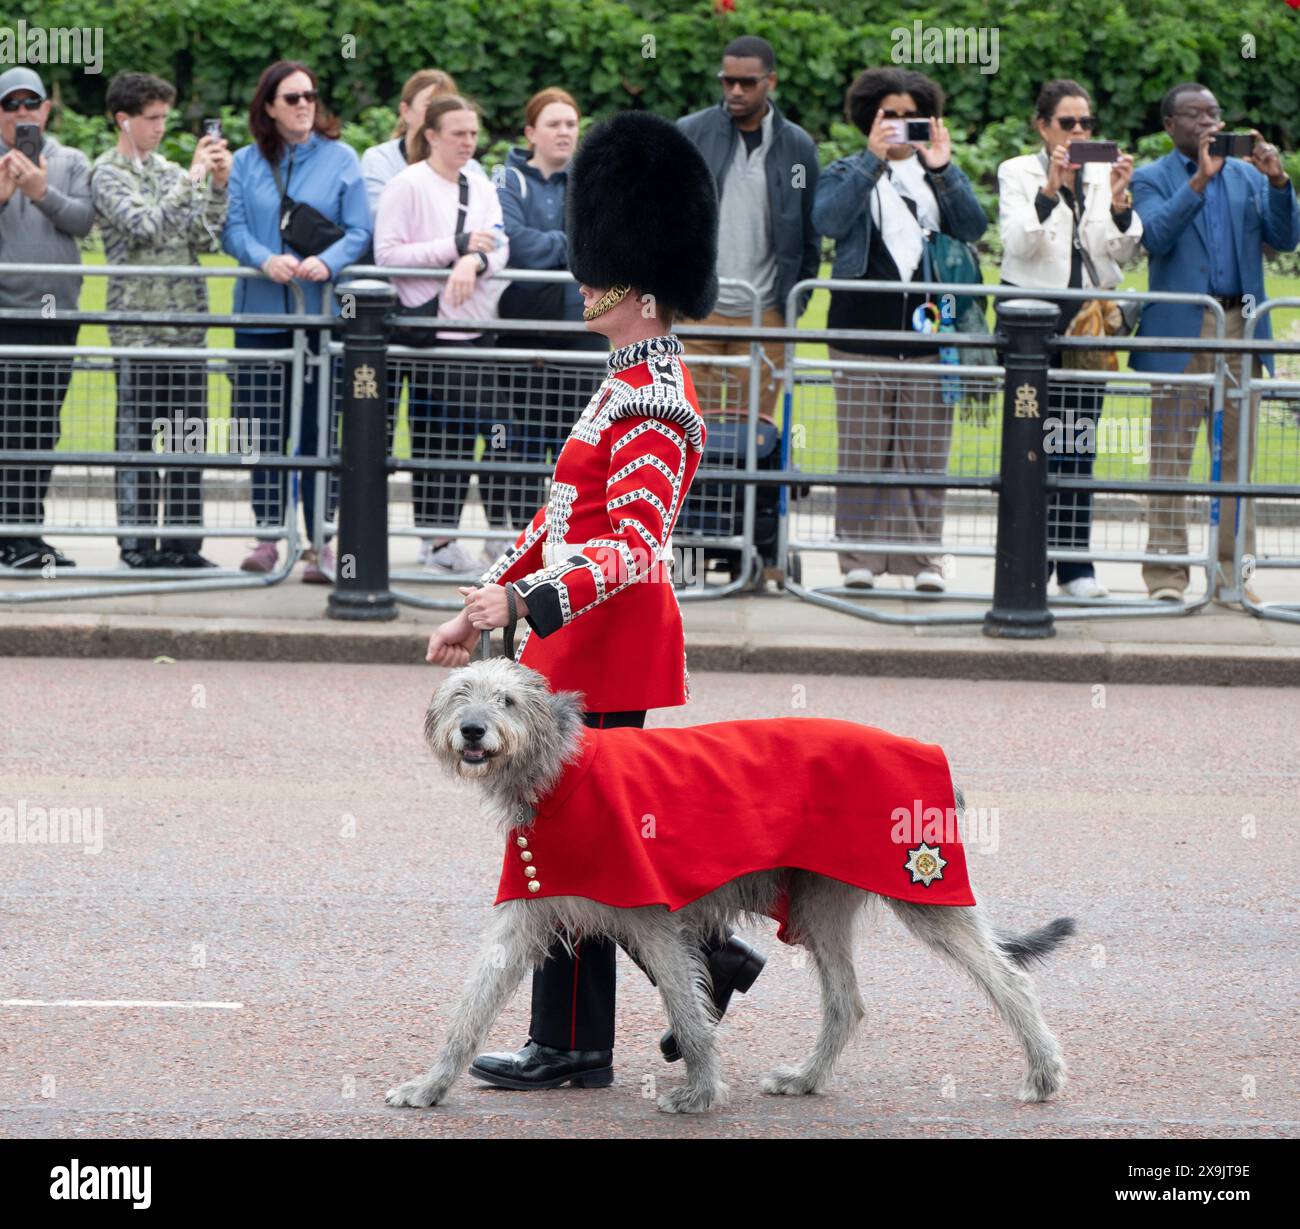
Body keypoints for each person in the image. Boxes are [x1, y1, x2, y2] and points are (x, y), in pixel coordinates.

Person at [426, 111, 766, 1090]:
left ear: (643, 289)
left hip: (610, 638)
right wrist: (489, 597)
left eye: (600, 268)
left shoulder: (658, 397)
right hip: (569, 633)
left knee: (577, 836)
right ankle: (702, 962)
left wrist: (525, 600)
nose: (584, 279)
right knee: (590, 832)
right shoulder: (620, 381)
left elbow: (635, 545)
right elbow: (564, 514)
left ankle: (576, 1037)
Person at [813, 67, 988, 593]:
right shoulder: (846, 170)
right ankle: (858, 559)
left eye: (914, 117)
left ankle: (921, 559)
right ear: (870, 117)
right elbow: (828, 220)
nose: (901, 125)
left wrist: (945, 167)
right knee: (862, 452)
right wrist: (872, 159)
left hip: (931, 339)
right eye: (890, 115)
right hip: (860, 336)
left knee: (926, 454)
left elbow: (974, 226)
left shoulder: (938, 174)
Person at [1131, 83, 1299, 604]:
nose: (1208, 122)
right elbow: (1154, 237)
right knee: (1170, 458)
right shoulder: (1150, 177)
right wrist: (1200, 181)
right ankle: (1166, 578)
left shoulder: (1249, 175)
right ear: (1169, 125)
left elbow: (1286, 237)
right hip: (1182, 328)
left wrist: (1277, 182)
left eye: (1214, 113)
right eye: (1194, 114)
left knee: (1234, 460)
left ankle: (1230, 577)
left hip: (1239, 326)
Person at [221, 60, 371, 581]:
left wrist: (328, 262)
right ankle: (267, 537)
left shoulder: (341, 157)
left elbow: (359, 230)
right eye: (291, 97)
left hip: (319, 321)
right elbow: (233, 229)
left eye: (309, 94)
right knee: (261, 430)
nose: (304, 103)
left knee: (318, 434)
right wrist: (265, 259)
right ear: (268, 107)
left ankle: (320, 543)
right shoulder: (245, 161)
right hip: (260, 316)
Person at [998, 79, 1143, 600]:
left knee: (1077, 443)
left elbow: (1121, 255)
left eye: (1087, 123)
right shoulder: (1017, 171)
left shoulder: (1103, 176)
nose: (1079, 131)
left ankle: (1075, 565)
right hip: (1031, 319)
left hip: (1087, 318)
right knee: (1027, 446)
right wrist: (1051, 189)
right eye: (1068, 123)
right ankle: (1025, 557)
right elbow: (1018, 243)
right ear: (1043, 126)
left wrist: (1122, 201)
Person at [92, 71, 231, 570]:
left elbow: (205, 238)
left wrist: (216, 186)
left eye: (164, 119)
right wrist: (192, 180)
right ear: (123, 120)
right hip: (138, 329)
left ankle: (182, 545)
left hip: (187, 326)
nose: (160, 128)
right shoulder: (105, 172)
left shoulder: (174, 171)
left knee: (187, 439)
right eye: (152, 119)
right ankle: (136, 546)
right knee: (137, 443)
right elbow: (144, 227)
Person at [374, 94, 511, 575]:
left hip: (476, 328)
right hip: (429, 331)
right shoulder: (407, 184)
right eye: (458, 133)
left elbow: (499, 245)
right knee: (437, 441)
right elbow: (387, 254)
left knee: (488, 434)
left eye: (473, 133)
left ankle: (480, 536)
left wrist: (473, 261)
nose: (468, 143)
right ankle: (438, 541)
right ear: (431, 135)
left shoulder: (480, 184)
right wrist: (452, 249)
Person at [677, 34, 820, 418]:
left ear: (770, 82)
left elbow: (809, 230)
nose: (735, 91)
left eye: (747, 83)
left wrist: (793, 302)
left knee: (754, 433)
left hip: (766, 314)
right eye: (728, 81)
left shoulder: (797, 150)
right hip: (696, 310)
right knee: (689, 429)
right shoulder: (690, 134)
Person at [493, 87, 605, 542]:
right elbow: (516, 246)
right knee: (518, 438)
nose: (564, 132)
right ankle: (515, 537)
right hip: (521, 330)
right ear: (530, 132)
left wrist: (556, 245)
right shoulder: (507, 179)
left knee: (577, 444)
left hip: (583, 332)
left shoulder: (595, 179)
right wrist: (568, 245)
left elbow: (600, 243)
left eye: (571, 124)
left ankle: (567, 539)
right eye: (554, 124)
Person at [0, 67, 93, 570]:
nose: (21, 114)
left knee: (41, 428)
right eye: (10, 104)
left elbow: (82, 219)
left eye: (29, 104)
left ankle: (27, 534)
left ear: (46, 110)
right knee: (6, 428)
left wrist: (39, 190)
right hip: (4, 316)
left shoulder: (71, 160)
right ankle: (11, 537)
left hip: (56, 314)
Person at [359, 69, 483, 213]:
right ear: (405, 111)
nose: (437, 115)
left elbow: (489, 221)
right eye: (429, 106)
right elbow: (380, 217)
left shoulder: (470, 168)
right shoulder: (380, 159)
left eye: (446, 109)